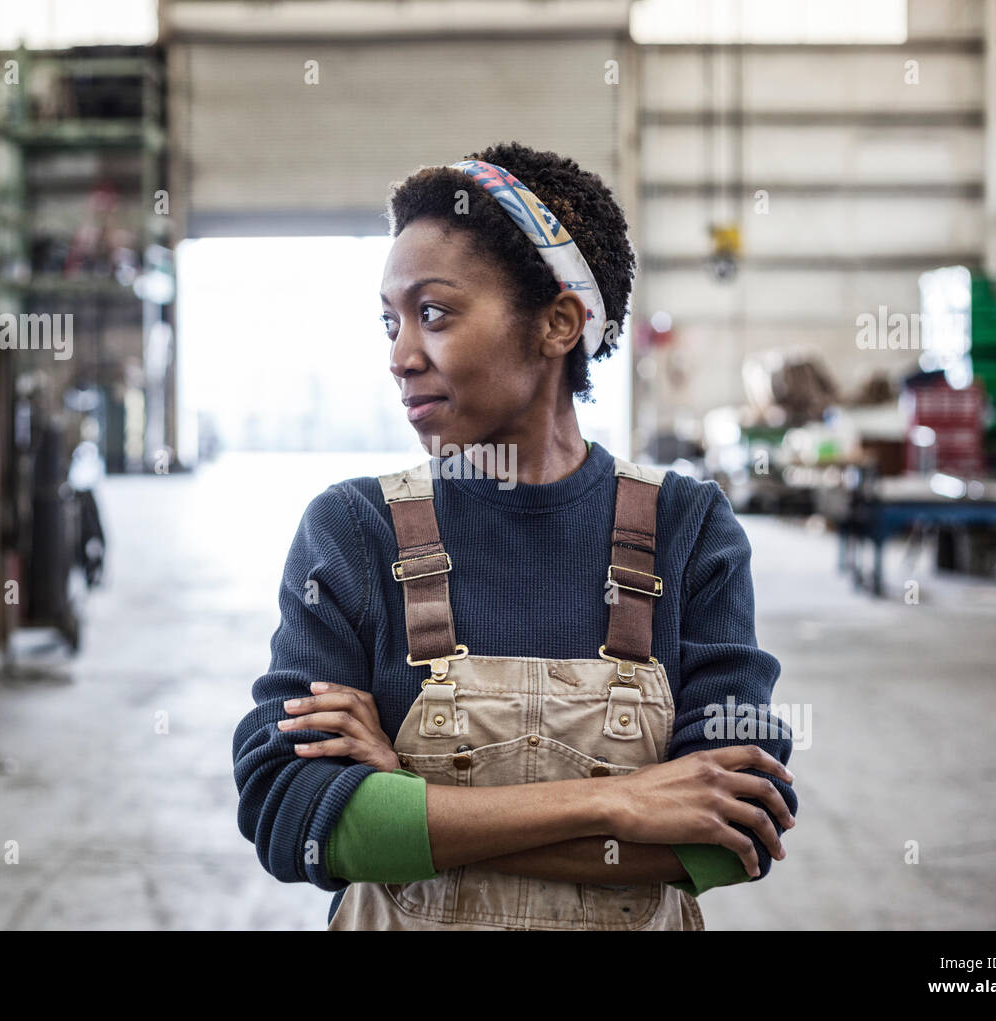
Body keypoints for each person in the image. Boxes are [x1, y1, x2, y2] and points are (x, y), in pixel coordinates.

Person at [232, 141, 797, 930]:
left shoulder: (686, 529)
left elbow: (734, 833)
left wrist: (406, 800)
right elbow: (291, 815)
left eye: (433, 314)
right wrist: (620, 800)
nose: (400, 356)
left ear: (558, 323)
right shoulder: (354, 531)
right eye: (389, 322)